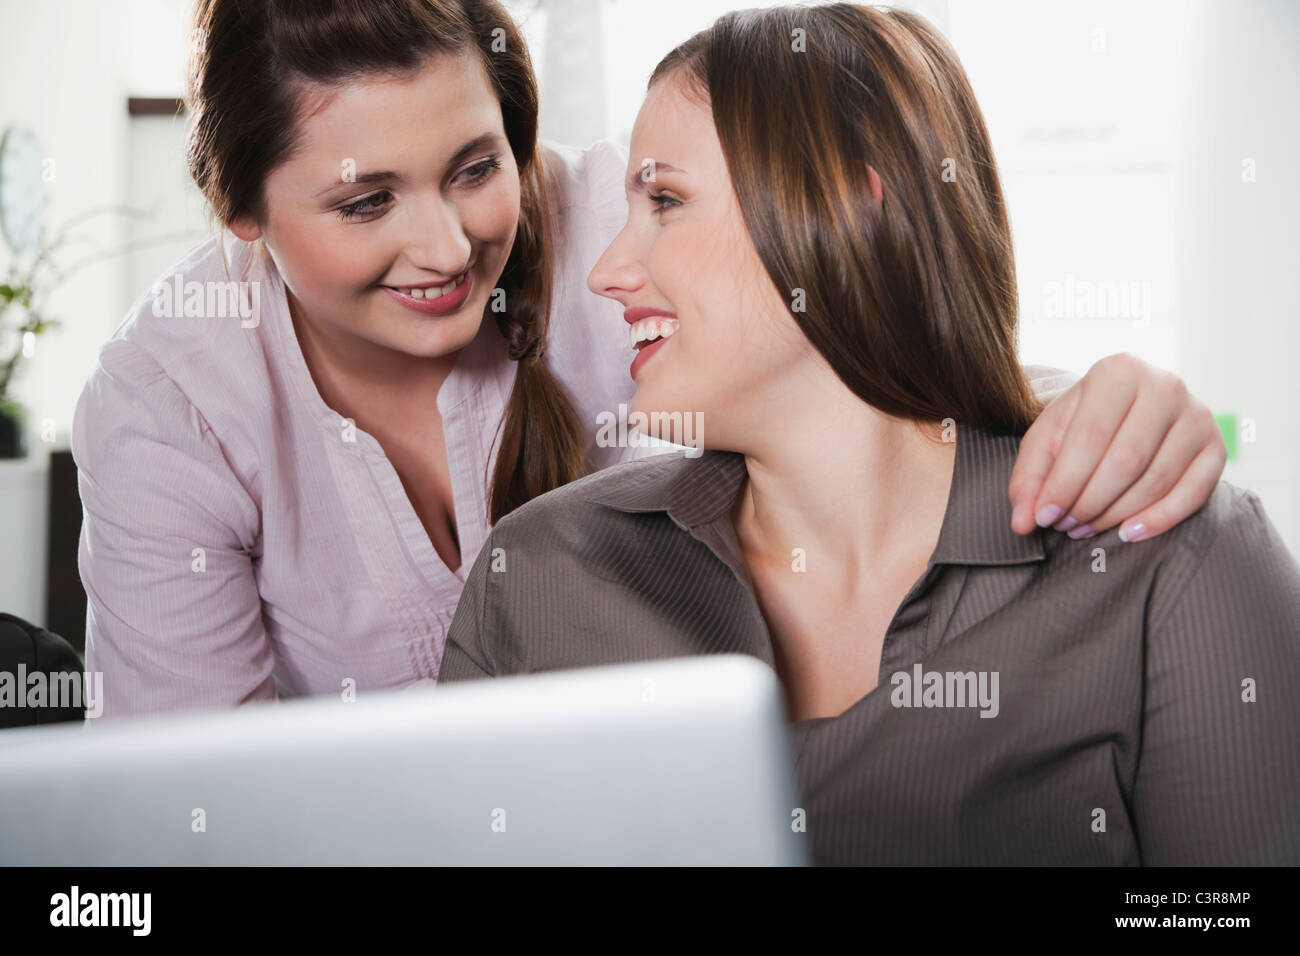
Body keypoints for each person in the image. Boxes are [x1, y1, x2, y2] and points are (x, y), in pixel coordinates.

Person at [74, 0, 1222, 718]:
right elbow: (185, 814)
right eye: (367, 200)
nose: (449, 245)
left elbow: (855, 338)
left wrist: (1075, 403)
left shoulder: (618, 234)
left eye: (477, 167)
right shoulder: (171, 402)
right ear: (245, 218)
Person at [439, 3, 1300, 865]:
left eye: (665, 199)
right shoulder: (540, 575)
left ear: (850, 204)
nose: (607, 272)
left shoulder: (1171, 562)